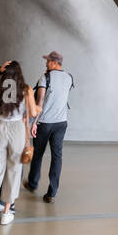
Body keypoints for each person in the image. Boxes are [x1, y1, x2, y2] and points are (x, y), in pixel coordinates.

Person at [0, 60, 40, 231]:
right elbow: (33, 112)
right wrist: (38, 109)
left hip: (1, 127)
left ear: (6, 72)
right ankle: (6, 213)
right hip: (17, 130)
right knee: (14, 169)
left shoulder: (1, 87)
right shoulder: (26, 89)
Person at [25, 51, 73, 203]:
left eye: (48, 61)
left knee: (38, 153)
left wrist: (33, 122)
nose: (46, 63)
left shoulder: (45, 77)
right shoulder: (69, 77)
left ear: (54, 62)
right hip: (61, 123)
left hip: (45, 123)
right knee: (57, 156)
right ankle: (51, 193)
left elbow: (39, 103)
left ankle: (32, 184)